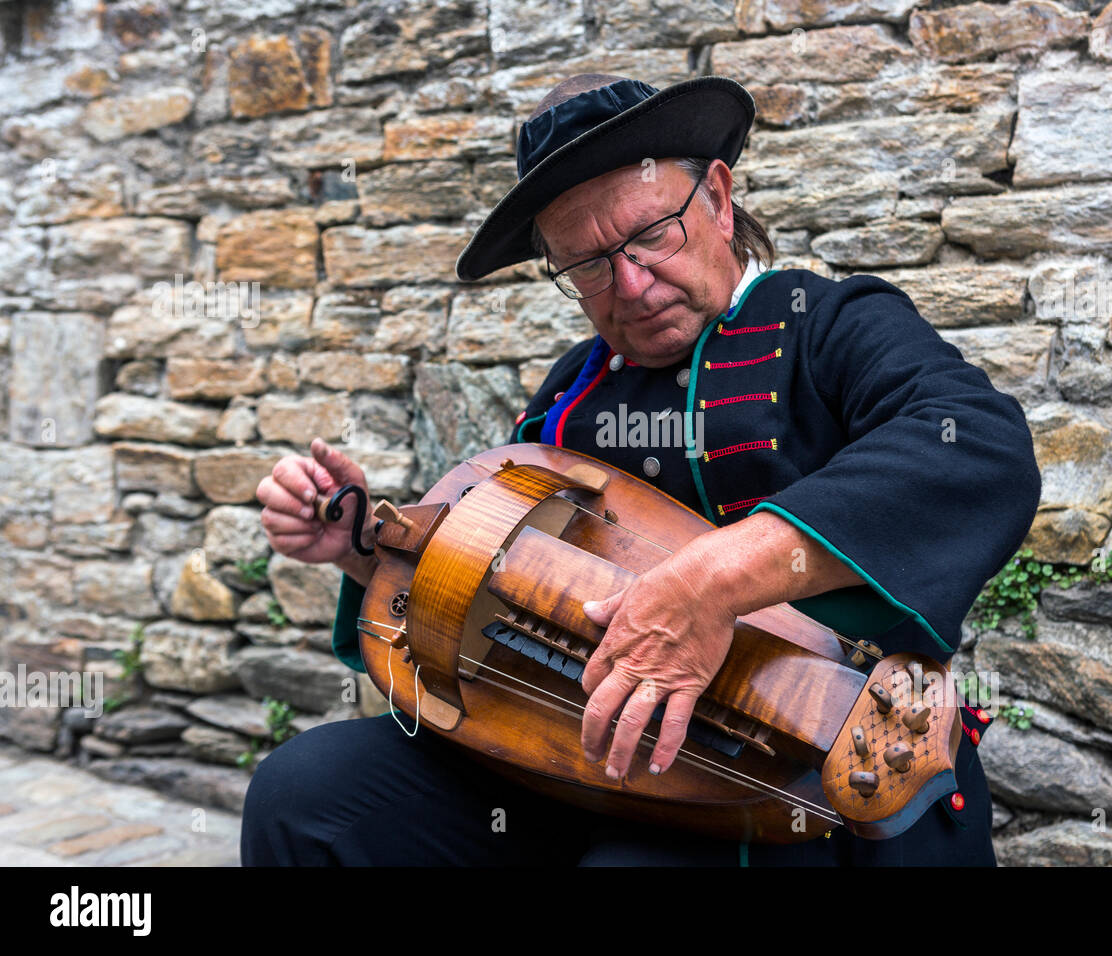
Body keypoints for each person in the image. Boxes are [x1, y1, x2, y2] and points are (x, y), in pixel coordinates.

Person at [241, 74, 1041, 866]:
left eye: (650, 234)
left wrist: (711, 583)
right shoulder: (570, 392)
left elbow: (975, 442)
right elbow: (505, 580)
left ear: (718, 201)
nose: (629, 283)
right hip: (580, 751)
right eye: (587, 265)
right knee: (306, 795)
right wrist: (363, 547)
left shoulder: (829, 326)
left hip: (808, 769)